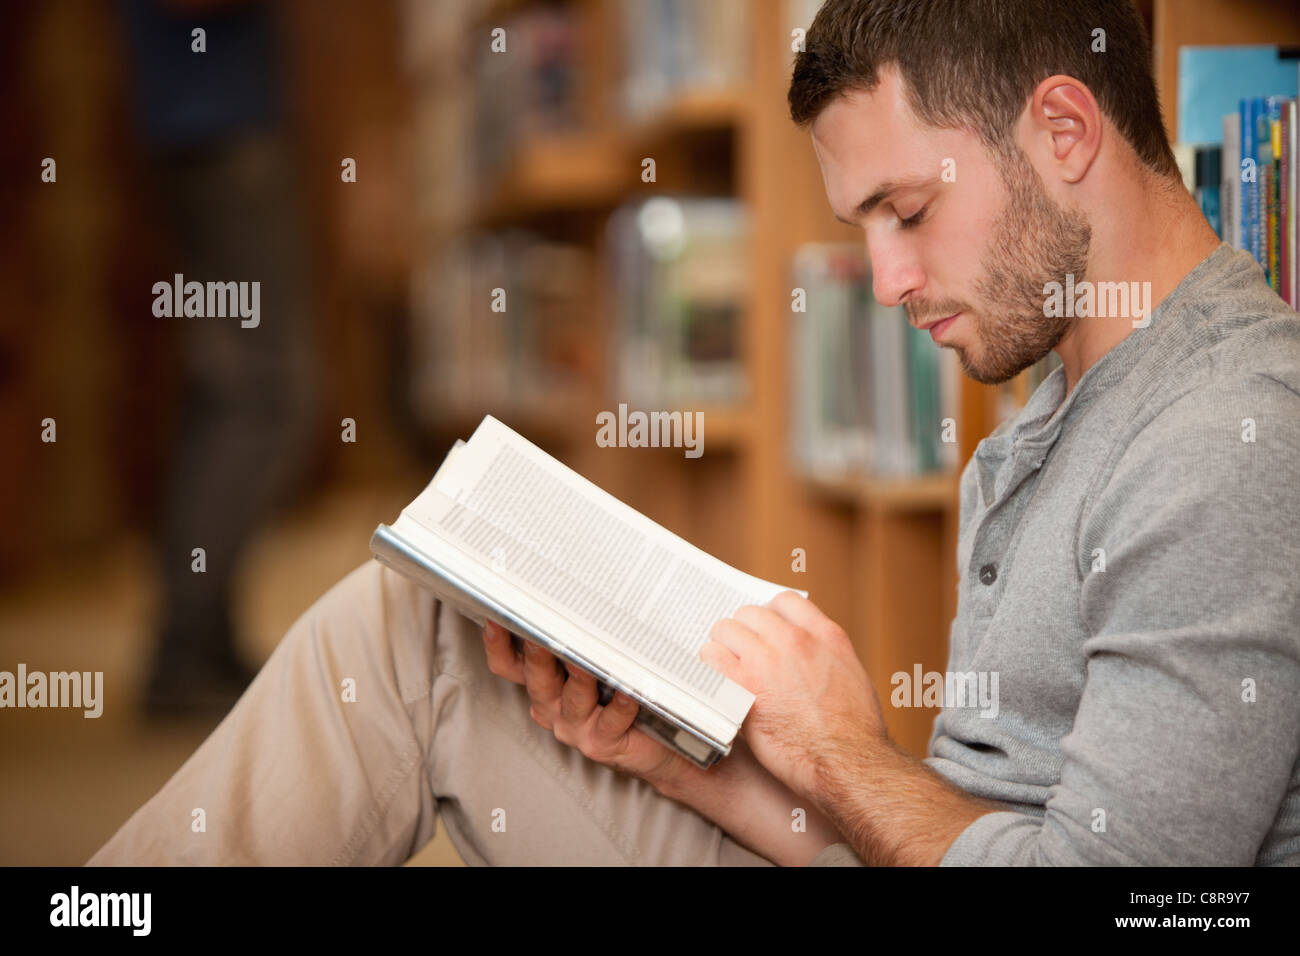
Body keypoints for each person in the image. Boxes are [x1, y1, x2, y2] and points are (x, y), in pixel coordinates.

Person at [90, 0, 1300, 865]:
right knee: (420, 627)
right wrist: (693, 766)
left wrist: (833, 750)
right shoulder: (1054, 401)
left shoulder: (1223, 442)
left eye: (907, 210)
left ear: (1066, 132)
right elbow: (981, 812)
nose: (882, 279)